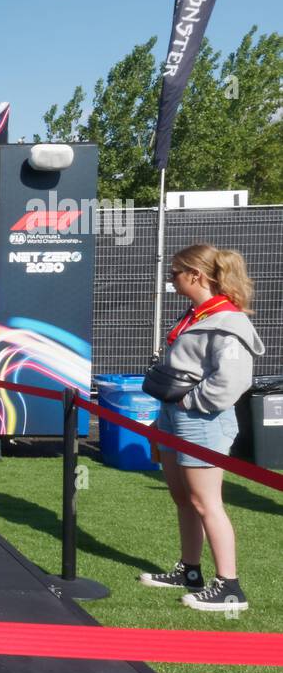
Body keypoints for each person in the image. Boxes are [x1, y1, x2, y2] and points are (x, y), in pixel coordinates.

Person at [139, 244, 264, 612]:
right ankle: (189, 570)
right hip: (177, 416)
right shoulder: (196, 314)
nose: (171, 278)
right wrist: (169, 411)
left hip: (203, 420)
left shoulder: (228, 320)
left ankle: (229, 587)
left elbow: (232, 382)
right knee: (183, 498)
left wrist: (188, 403)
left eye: (175, 272)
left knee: (206, 502)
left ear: (197, 276)